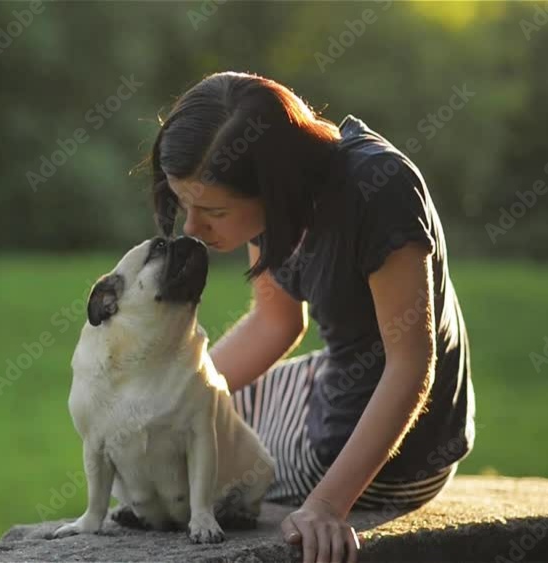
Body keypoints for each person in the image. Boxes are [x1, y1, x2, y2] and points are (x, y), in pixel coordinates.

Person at [146, 71, 475, 563]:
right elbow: (275, 323)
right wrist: (165, 400)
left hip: (400, 447)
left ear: (273, 187)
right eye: (183, 206)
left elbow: (411, 363)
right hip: (336, 382)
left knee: (190, 465)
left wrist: (325, 506)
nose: (192, 229)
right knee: (166, 434)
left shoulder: (378, 192)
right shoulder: (278, 191)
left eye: (212, 210)